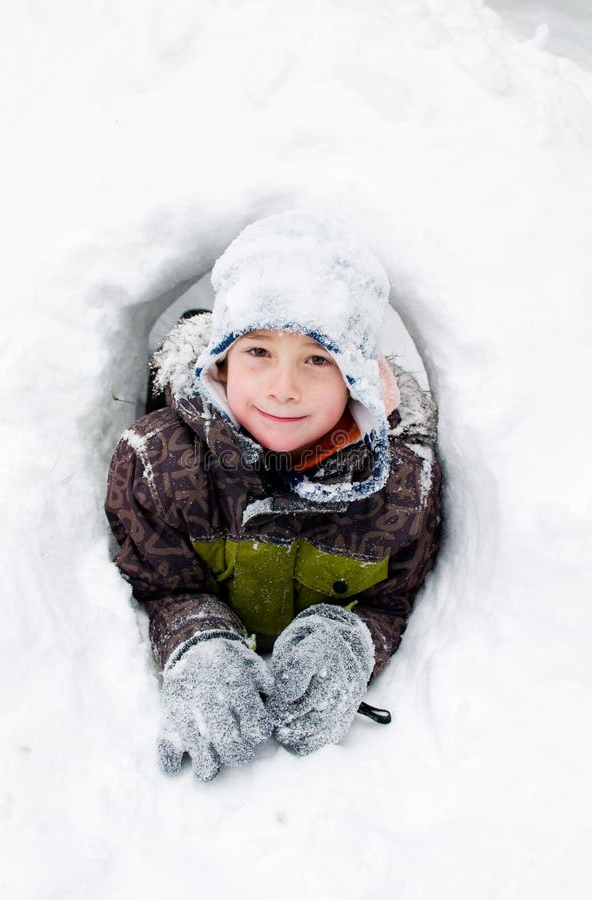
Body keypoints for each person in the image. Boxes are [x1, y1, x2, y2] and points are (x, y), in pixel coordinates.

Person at [105, 210, 442, 782]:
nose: (284, 389)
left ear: (358, 376)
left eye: (318, 358)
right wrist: (197, 640)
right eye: (258, 352)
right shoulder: (158, 464)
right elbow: (162, 585)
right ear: (221, 361)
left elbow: (394, 600)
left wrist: (352, 640)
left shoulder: (403, 488)